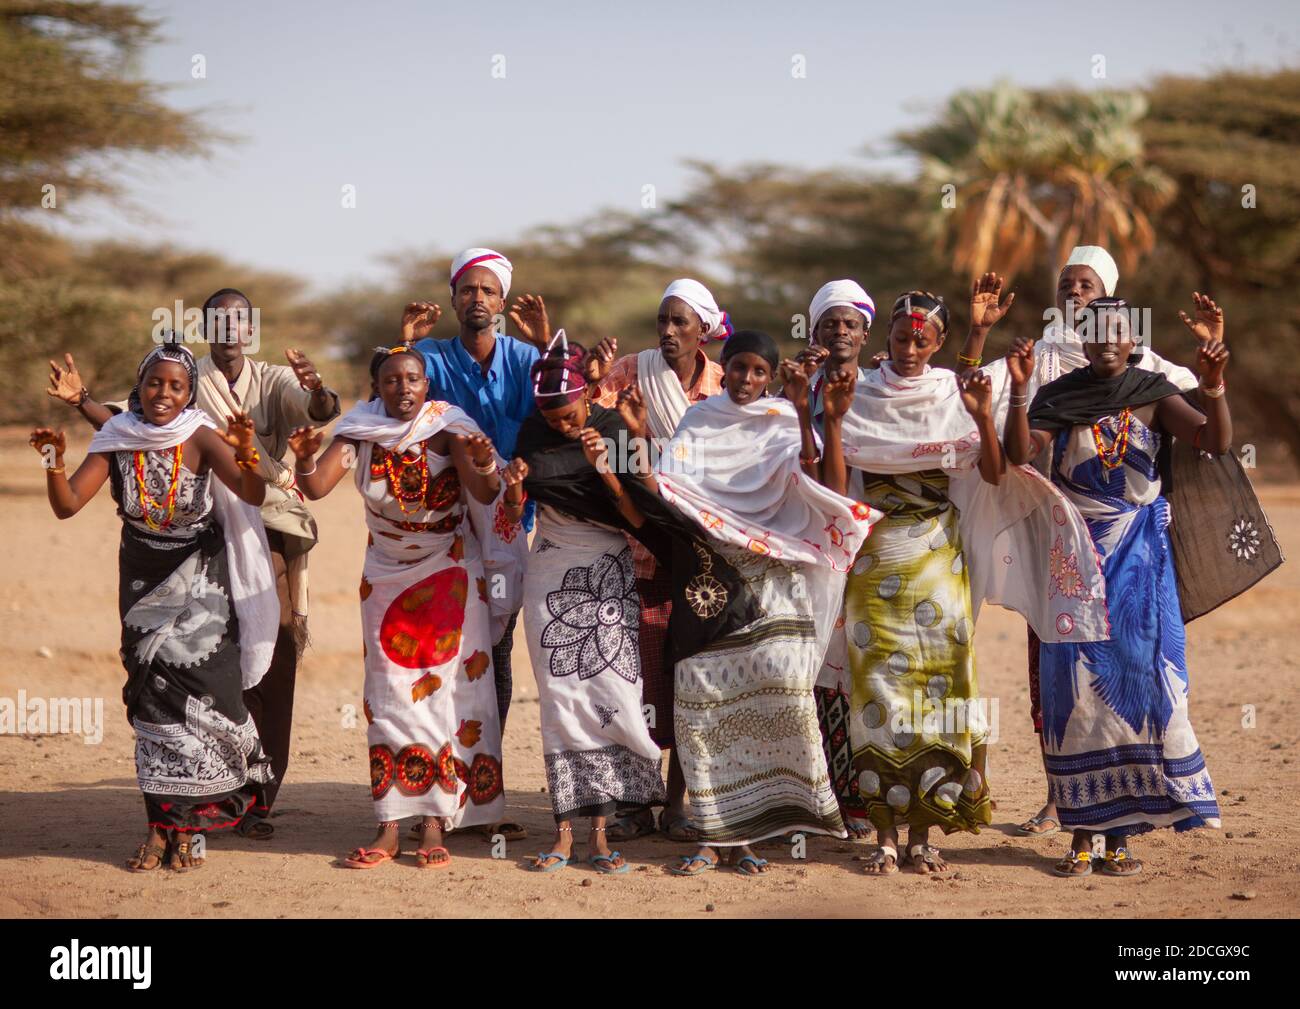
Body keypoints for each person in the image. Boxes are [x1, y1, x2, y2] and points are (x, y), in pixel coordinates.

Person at [829, 290, 1105, 874]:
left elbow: (995, 471)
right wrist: (832, 420)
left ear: (937, 344)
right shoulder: (862, 395)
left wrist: (982, 413)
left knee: (941, 690)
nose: (909, 349)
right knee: (874, 694)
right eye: (901, 338)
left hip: (938, 562)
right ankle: (883, 835)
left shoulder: (949, 395)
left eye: (922, 340)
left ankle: (927, 833)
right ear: (888, 340)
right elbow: (835, 483)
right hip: (874, 562)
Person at [47, 288, 340, 838]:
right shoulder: (185, 373)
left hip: (266, 526)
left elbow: (318, 411)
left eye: (240, 319)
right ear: (204, 326)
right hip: (191, 530)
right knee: (200, 662)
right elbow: (131, 423)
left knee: (268, 643)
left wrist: (316, 390)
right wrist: (82, 401)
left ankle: (258, 793)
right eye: (219, 319)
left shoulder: (274, 379)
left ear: (251, 329)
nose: (230, 327)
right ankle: (201, 795)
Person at [31, 341, 277, 872]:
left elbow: (253, 494)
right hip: (142, 586)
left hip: (202, 589)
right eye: (154, 383)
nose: (164, 393)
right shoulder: (117, 438)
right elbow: (67, 505)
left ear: (190, 394)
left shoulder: (202, 437)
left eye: (177, 386)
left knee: (210, 700)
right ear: (138, 389)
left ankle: (187, 830)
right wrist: (53, 458)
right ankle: (159, 827)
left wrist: (249, 452)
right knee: (152, 706)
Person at [1004, 297, 1229, 876]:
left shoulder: (1152, 392)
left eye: (1118, 332)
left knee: (1138, 683)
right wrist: (1020, 394)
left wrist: (1215, 387)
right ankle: (1081, 833)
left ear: (1133, 339)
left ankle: (1121, 836)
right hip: (1074, 561)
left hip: (1141, 567)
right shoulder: (1061, 396)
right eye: (1095, 332)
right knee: (1073, 692)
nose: (1106, 341)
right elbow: (1015, 454)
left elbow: (1215, 444)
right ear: (1081, 337)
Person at [655, 330, 876, 876]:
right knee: (702, 696)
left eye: (759, 372)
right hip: (709, 577)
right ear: (722, 368)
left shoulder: (782, 419)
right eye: (738, 369)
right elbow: (675, 493)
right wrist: (719, 529)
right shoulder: (698, 422)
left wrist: (805, 411)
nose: (747, 380)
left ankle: (751, 833)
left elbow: (825, 482)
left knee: (769, 692)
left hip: (773, 575)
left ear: (772, 376)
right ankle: (710, 832)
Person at [287, 346, 508, 869]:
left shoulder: (448, 430)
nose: (403, 388)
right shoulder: (360, 432)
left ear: (426, 385)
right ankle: (388, 824)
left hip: (449, 570)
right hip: (384, 576)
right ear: (377, 387)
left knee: (443, 695)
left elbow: (485, 488)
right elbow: (316, 487)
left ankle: (434, 824)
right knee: (385, 695)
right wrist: (301, 457)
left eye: (412, 379)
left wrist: (481, 464)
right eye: (391, 380)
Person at [401, 248, 548, 843]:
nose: (477, 299)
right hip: (442, 521)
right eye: (467, 290)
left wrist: (547, 343)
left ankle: (481, 788)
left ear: (502, 302)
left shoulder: (528, 358)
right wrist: (403, 338)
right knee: (442, 653)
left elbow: (561, 412)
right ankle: (437, 791)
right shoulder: (430, 356)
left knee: (495, 655)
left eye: (488, 290)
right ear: (455, 297)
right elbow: (394, 394)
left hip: (509, 518)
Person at [506, 332, 667, 872]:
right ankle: (563, 832)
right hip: (549, 567)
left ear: (585, 398)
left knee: (612, 691)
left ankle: (601, 834)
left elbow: (639, 514)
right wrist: (513, 488)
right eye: (552, 418)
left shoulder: (613, 428)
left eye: (568, 414)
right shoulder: (531, 431)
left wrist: (606, 468)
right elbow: (512, 511)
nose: (561, 425)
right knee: (560, 701)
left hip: (608, 570)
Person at [580, 277, 728, 843]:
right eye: (662, 321)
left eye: (680, 323)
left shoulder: (722, 387)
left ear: (704, 332)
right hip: (635, 549)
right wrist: (594, 385)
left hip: (699, 554)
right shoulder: (629, 375)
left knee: (689, 679)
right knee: (636, 684)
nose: (667, 332)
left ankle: (678, 804)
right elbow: (591, 429)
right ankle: (635, 804)